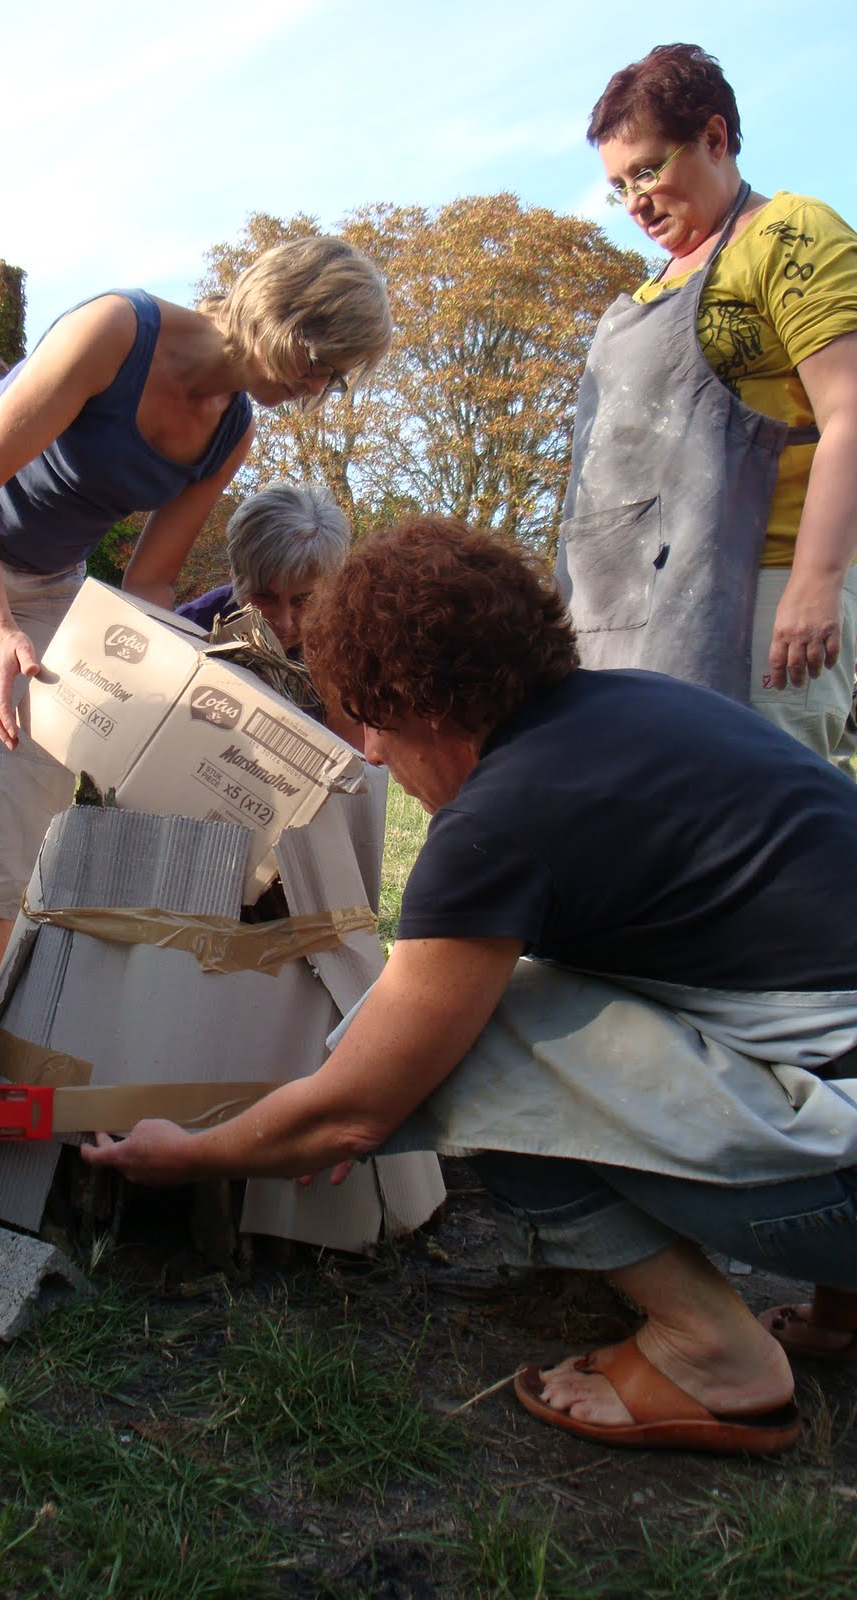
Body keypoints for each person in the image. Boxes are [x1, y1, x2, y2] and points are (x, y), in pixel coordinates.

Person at [86, 517, 857, 1455]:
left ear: (426, 706)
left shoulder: (497, 822)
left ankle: (710, 1352)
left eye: (372, 717)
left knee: (474, 1038)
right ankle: (841, 1307)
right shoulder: (643, 710)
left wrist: (193, 1155)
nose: (369, 751)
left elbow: (358, 1115)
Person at [0, 237, 392, 998]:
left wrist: (168, 704)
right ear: (284, 315)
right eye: (321, 361)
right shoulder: (115, 331)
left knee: (36, 800)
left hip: (51, 578)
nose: (317, 387)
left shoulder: (231, 432)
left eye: (334, 378)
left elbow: (150, 581)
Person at [557, 43, 857, 761]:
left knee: (761, 841)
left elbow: (850, 409)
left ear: (715, 138)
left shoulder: (790, 235)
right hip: (639, 621)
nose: (634, 201)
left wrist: (815, 585)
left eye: (649, 169)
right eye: (618, 185)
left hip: (762, 598)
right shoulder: (647, 292)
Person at [176, 481, 351, 659]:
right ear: (235, 577)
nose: (285, 624)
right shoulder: (187, 632)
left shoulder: (341, 650)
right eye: (265, 596)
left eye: (303, 600)